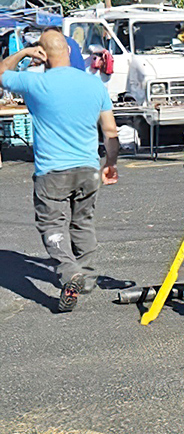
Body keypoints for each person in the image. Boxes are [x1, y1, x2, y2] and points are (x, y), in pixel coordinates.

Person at [0, 31, 119, 312]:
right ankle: (87, 278)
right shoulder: (94, 85)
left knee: (52, 225)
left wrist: (22, 53)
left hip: (52, 170)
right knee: (83, 222)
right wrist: (110, 163)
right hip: (88, 167)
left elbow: (1, 72)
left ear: (42, 52)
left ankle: (69, 272)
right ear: (67, 49)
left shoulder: (35, 82)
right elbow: (110, 130)